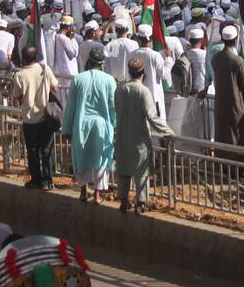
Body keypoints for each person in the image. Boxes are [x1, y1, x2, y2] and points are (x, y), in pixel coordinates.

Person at [114, 57, 174, 213]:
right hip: (139, 138)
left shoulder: (120, 89)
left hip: (122, 135)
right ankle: (141, 202)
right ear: (143, 72)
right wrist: (167, 132)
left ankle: (123, 200)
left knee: (124, 170)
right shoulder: (143, 91)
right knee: (141, 171)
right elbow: (152, 117)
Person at [62, 48, 117, 203]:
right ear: (102, 63)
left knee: (82, 156)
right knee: (101, 158)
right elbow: (113, 107)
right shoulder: (109, 80)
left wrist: (66, 128)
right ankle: (98, 193)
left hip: (81, 124)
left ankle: (83, 190)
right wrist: (115, 126)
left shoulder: (78, 79)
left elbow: (70, 106)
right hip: (102, 125)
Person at [12, 46, 60, 189]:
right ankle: (48, 181)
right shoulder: (45, 69)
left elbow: (17, 96)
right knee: (47, 150)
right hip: (46, 117)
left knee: (32, 151)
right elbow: (56, 87)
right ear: (36, 57)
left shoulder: (19, 75)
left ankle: (36, 180)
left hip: (29, 119)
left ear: (23, 58)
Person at [210, 25, 244, 156]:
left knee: (222, 132)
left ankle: (223, 165)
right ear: (235, 40)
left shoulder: (215, 58)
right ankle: (236, 165)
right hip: (235, 103)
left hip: (220, 101)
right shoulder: (238, 61)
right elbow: (243, 86)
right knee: (236, 133)